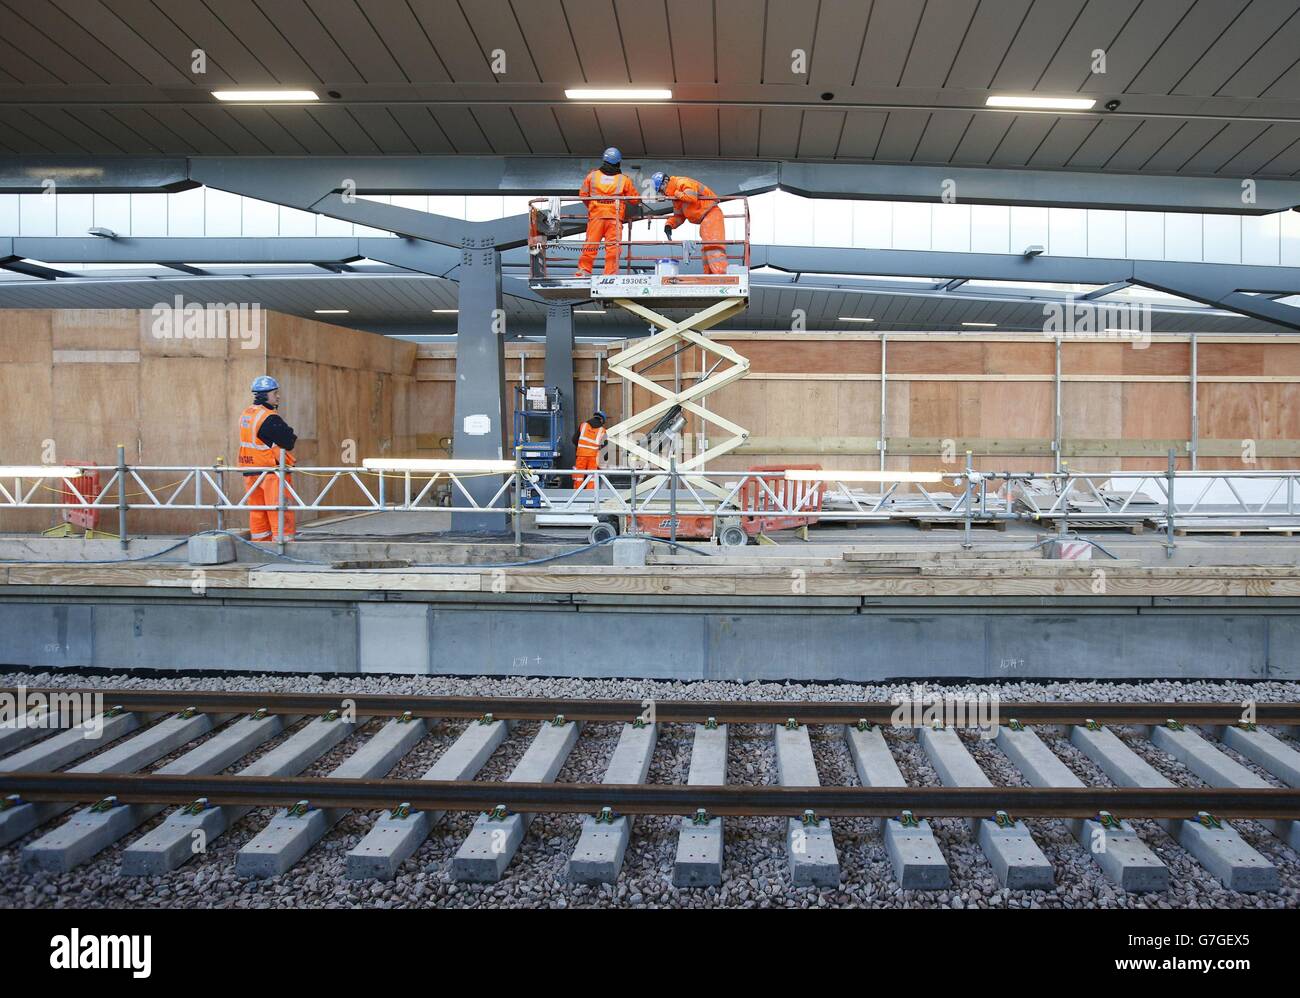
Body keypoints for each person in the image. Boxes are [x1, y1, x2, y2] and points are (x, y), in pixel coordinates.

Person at [237, 375, 297, 542]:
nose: (278, 396)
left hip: (250, 471)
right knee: (278, 509)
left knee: (258, 511)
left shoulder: (246, 414)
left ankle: (260, 544)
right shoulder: (269, 417)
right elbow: (288, 441)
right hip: (271, 473)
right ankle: (282, 545)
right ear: (265, 395)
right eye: (275, 393)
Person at [576, 147, 639, 277]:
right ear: (618, 162)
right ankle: (610, 275)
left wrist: (594, 207)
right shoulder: (623, 180)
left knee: (590, 245)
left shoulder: (592, 176)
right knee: (613, 249)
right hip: (614, 219)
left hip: (596, 217)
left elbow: (583, 195)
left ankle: (584, 271)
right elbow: (634, 200)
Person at [651, 171, 728, 275]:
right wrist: (669, 225)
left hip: (711, 214)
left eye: (660, 190)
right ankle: (710, 277)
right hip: (706, 218)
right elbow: (679, 216)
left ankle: (719, 276)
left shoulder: (681, 183)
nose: (662, 193)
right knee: (706, 249)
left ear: (664, 183)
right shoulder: (676, 197)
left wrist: (676, 194)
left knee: (713, 246)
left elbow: (691, 197)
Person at [573, 410, 607, 489]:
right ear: (601, 420)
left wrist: (581, 448)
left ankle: (576, 494)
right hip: (593, 457)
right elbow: (605, 449)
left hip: (581, 455)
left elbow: (574, 439)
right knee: (592, 477)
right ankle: (590, 495)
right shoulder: (602, 431)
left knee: (579, 476)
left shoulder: (583, 425)